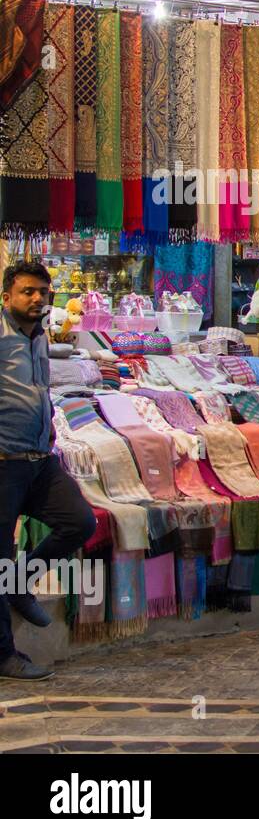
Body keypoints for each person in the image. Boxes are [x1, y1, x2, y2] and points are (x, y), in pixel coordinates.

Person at [0, 261, 96, 681]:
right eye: (27, 291)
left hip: (41, 459)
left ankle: (21, 582)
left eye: (43, 291)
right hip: (4, 462)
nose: (37, 298)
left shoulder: (39, 338)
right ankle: (3, 654)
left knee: (78, 521)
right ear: (7, 297)